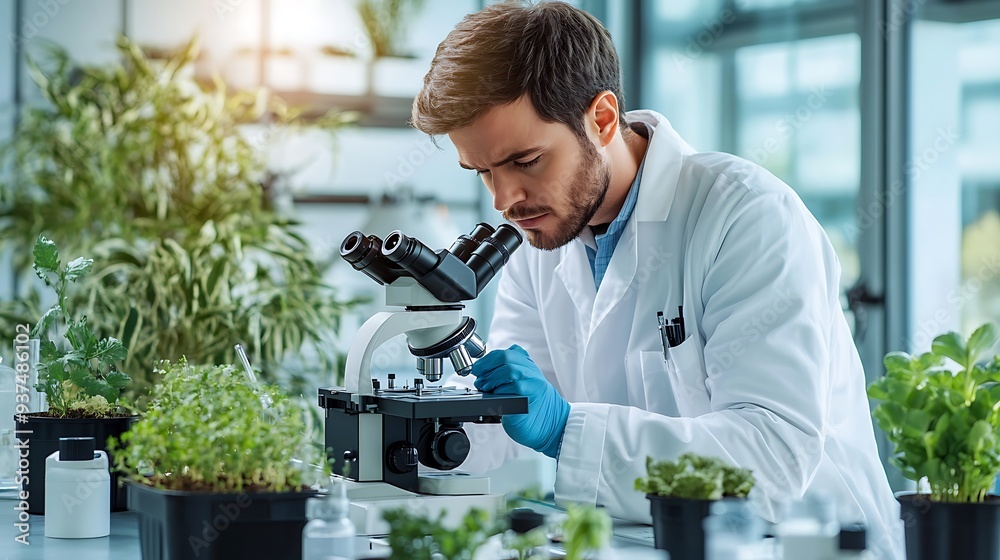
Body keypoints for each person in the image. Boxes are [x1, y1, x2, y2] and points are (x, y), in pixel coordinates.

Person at [411, 2, 903, 558]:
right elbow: (511, 417)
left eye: (525, 160)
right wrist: (422, 428)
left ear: (601, 118)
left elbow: (772, 458)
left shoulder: (746, 216)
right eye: (484, 172)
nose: (504, 200)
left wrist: (566, 430)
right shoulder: (540, 241)